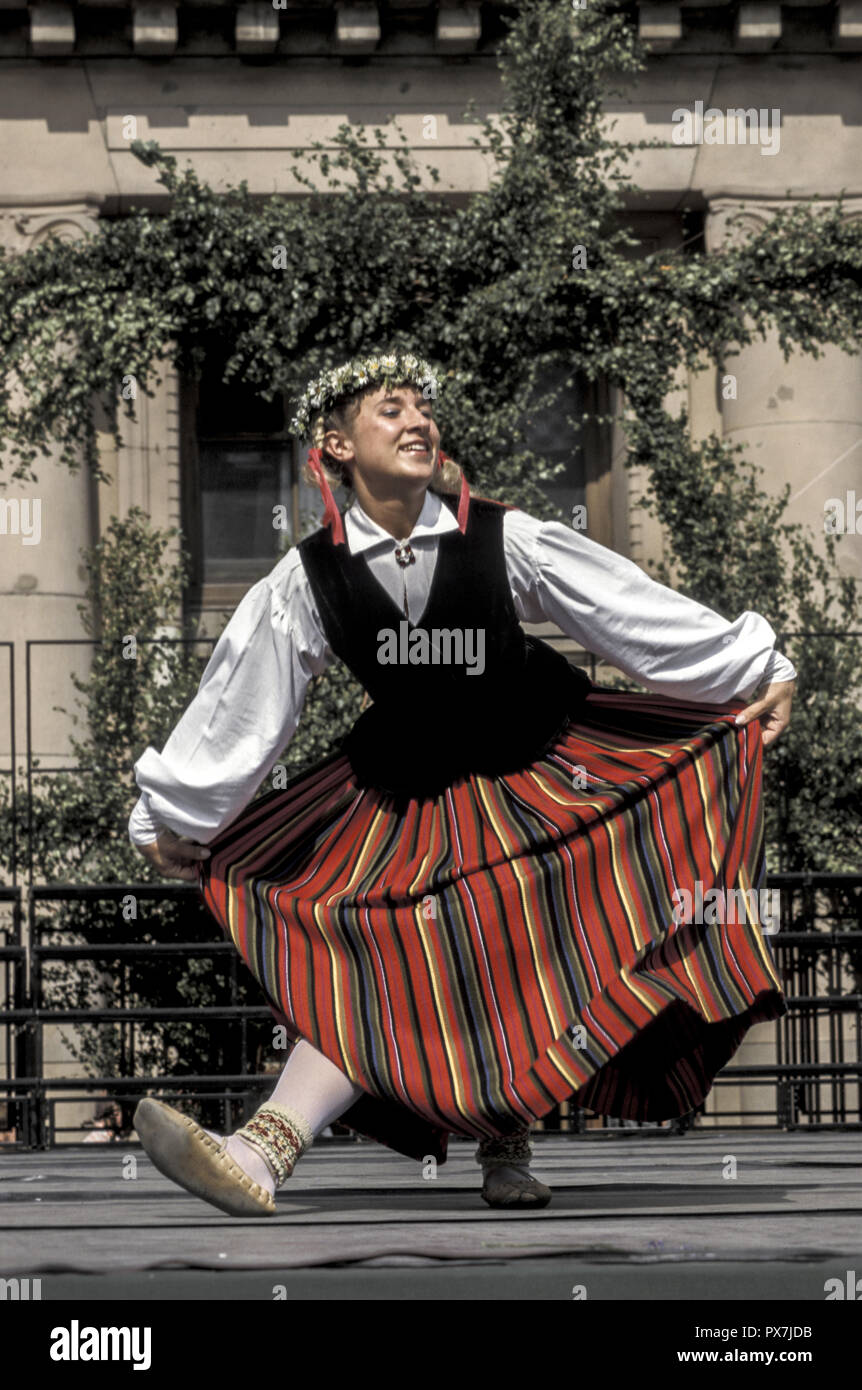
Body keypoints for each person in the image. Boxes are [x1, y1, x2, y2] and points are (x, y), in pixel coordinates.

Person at [129, 350, 797, 1218]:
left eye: (424, 409)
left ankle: (474, 1138)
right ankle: (269, 1150)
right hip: (407, 789)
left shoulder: (501, 537)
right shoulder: (310, 577)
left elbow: (625, 610)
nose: (417, 422)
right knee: (380, 946)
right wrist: (177, 813)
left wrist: (752, 665)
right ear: (334, 444)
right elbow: (247, 701)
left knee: (516, 945)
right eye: (390, 409)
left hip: (541, 773)